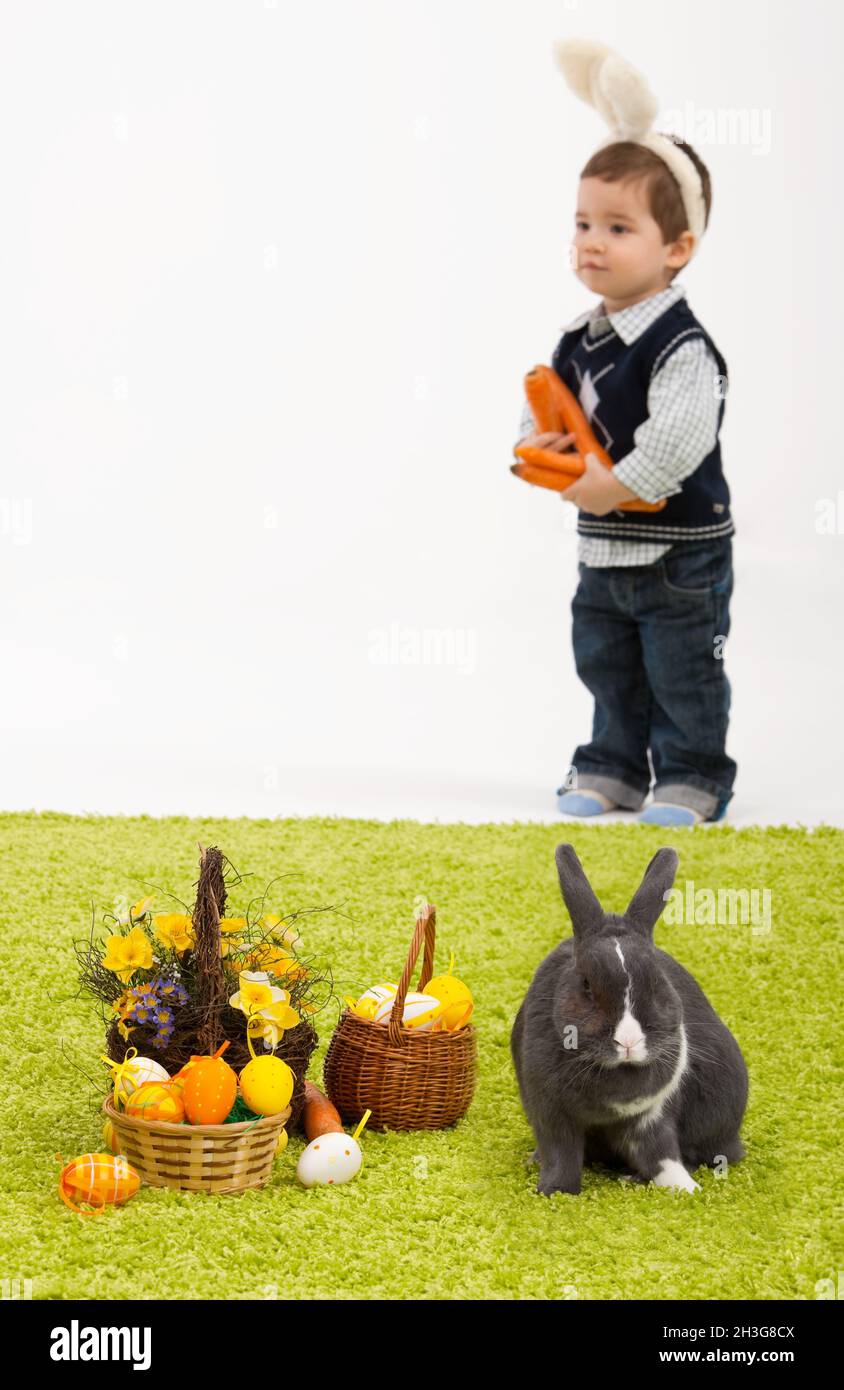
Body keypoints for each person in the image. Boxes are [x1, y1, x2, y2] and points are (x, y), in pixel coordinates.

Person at [515, 40, 736, 827]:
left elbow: (679, 440)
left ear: (677, 248)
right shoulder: (577, 338)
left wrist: (616, 482)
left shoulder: (682, 346)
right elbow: (544, 409)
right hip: (602, 549)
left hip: (679, 551)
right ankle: (611, 765)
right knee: (607, 663)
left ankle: (692, 773)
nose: (592, 242)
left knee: (681, 669)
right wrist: (542, 452)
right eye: (582, 223)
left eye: (617, 226)